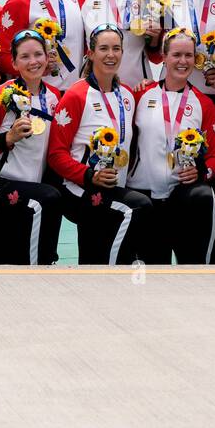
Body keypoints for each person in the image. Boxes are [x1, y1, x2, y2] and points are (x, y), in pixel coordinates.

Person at [48, 24, 152, 265]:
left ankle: (95, 291)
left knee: (93, 253)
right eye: (103, 48)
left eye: (116, 48)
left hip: (113, 186)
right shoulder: (76, 95)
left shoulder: (127, 95)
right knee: (138, 208)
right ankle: (116, 277)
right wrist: (88, 175)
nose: (111, 54)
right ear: (91, 53)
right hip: (79, 188)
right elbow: (56, 154)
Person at [0, 29, 64, 264]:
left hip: (28, 186)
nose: (33, 62)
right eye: (25, 57)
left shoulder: (54, 97)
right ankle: (44, 265)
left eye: (38, 54)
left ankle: (38, 264)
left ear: (47, 57)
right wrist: (6, 138)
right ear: (14, 62)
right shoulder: (0, 95)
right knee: (48, 199)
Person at [127, 28, 215, 264]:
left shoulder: (203, 103)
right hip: (145, 195)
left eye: (189, 56)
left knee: (190, 266)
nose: (183, 61)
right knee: (152, 271)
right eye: (176, 55)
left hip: (180, 197)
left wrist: (202, 172)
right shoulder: (141, 95)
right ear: (164, 56)